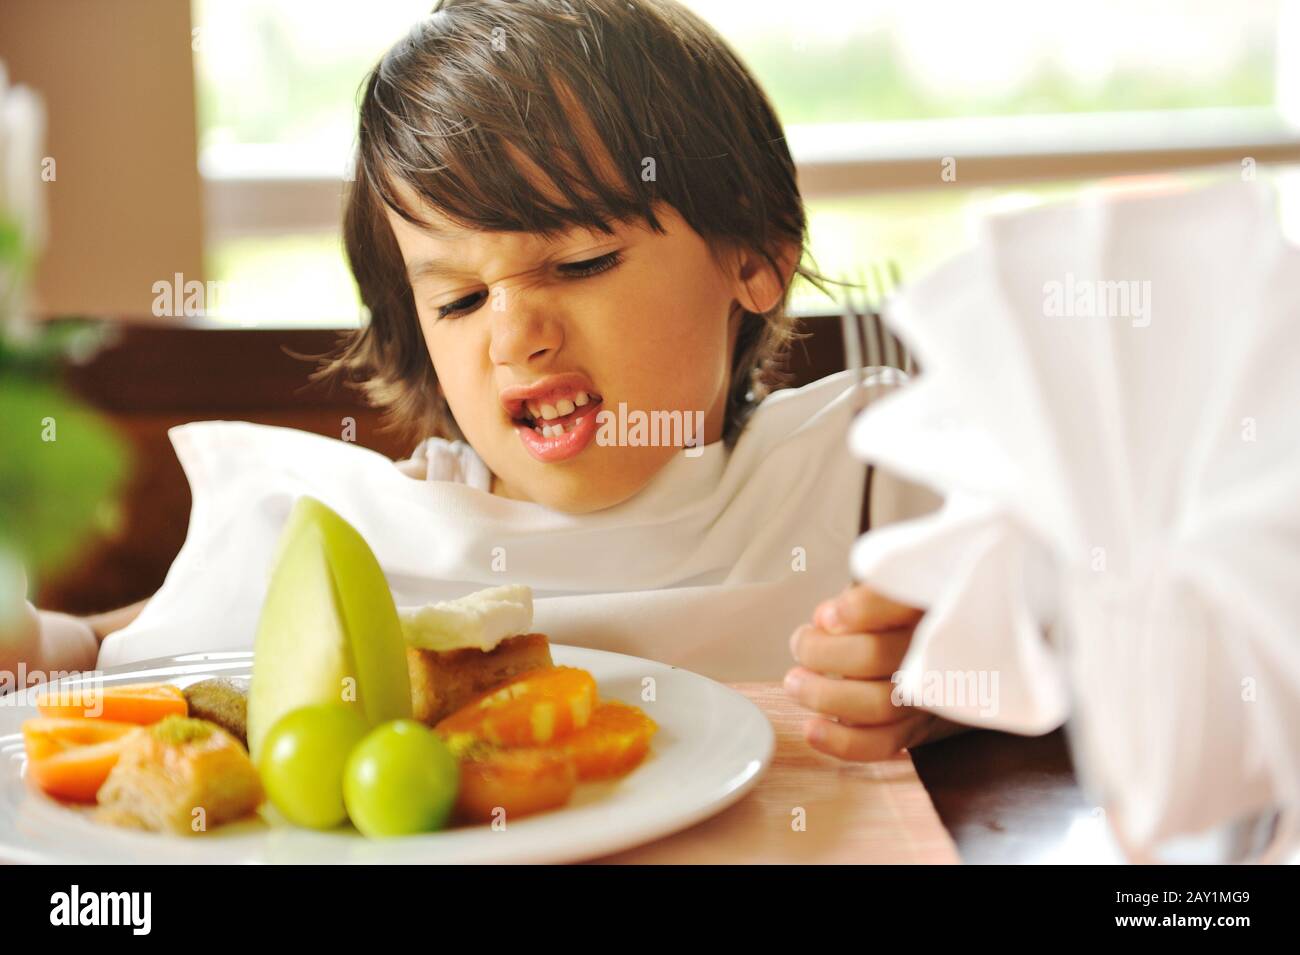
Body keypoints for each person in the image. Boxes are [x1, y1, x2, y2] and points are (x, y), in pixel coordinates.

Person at [6, 0, 951, 761]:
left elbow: (1061, 636)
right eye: (458, 301)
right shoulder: (376, 528)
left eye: (580, 264)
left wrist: (937, 689)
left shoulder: (856, 476)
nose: (516, 337)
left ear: (754, 257)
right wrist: (45, 646)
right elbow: (119, 648)